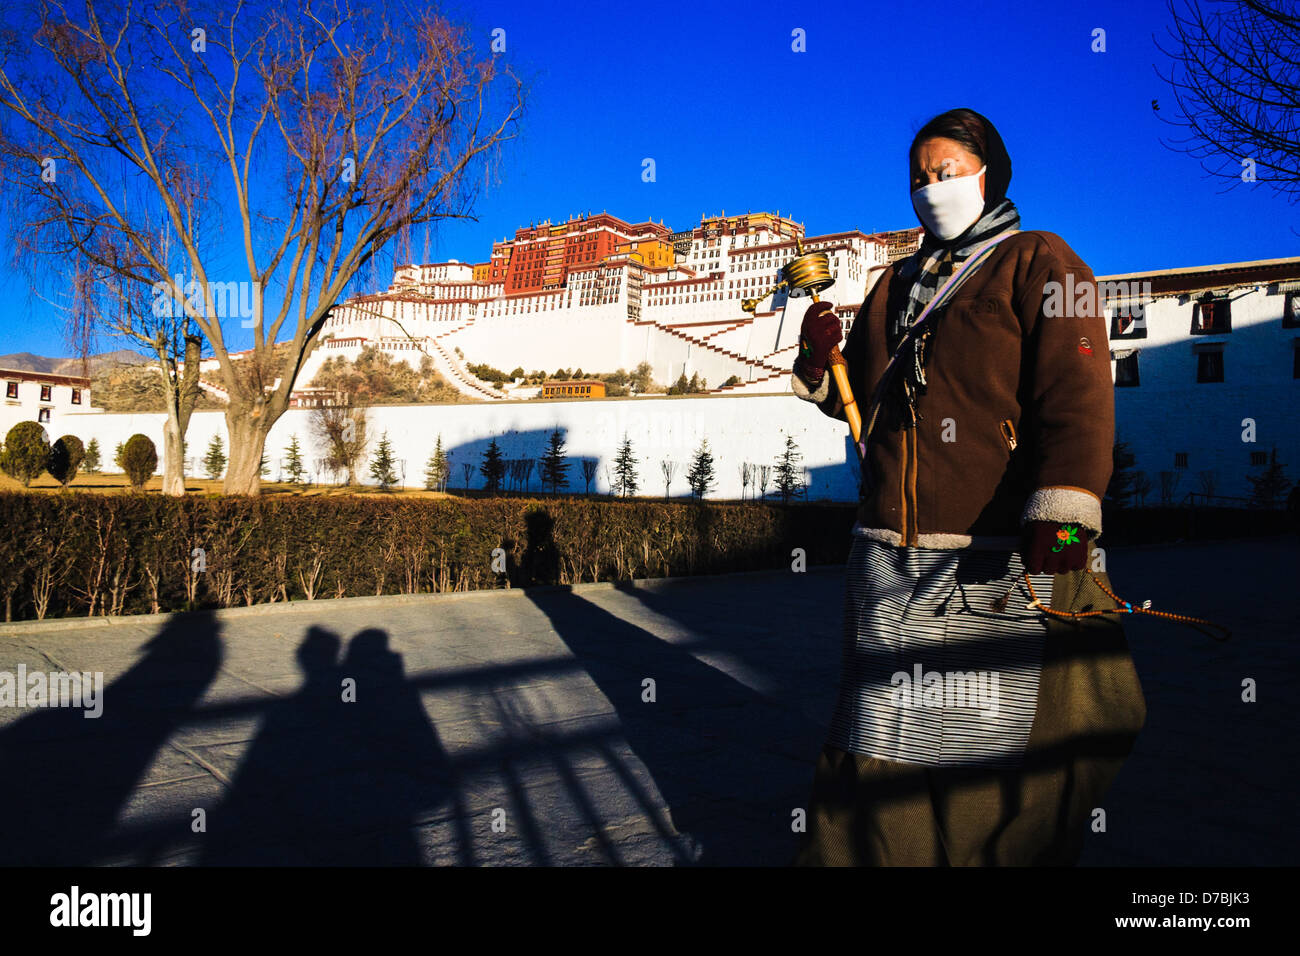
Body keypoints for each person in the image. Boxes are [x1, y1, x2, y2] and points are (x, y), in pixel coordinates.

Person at [790, 108, 1146, 866]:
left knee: (983, 739)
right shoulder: (894, 283)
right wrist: (820, 361)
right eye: (919, 177)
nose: (930, 188)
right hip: (888, 553)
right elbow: (855, 399)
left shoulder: (1045, 261)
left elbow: (1078, 393)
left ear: (989, 173)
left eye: (946, 172)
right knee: (880, 737)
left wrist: (1067, 517)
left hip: (992, 555)